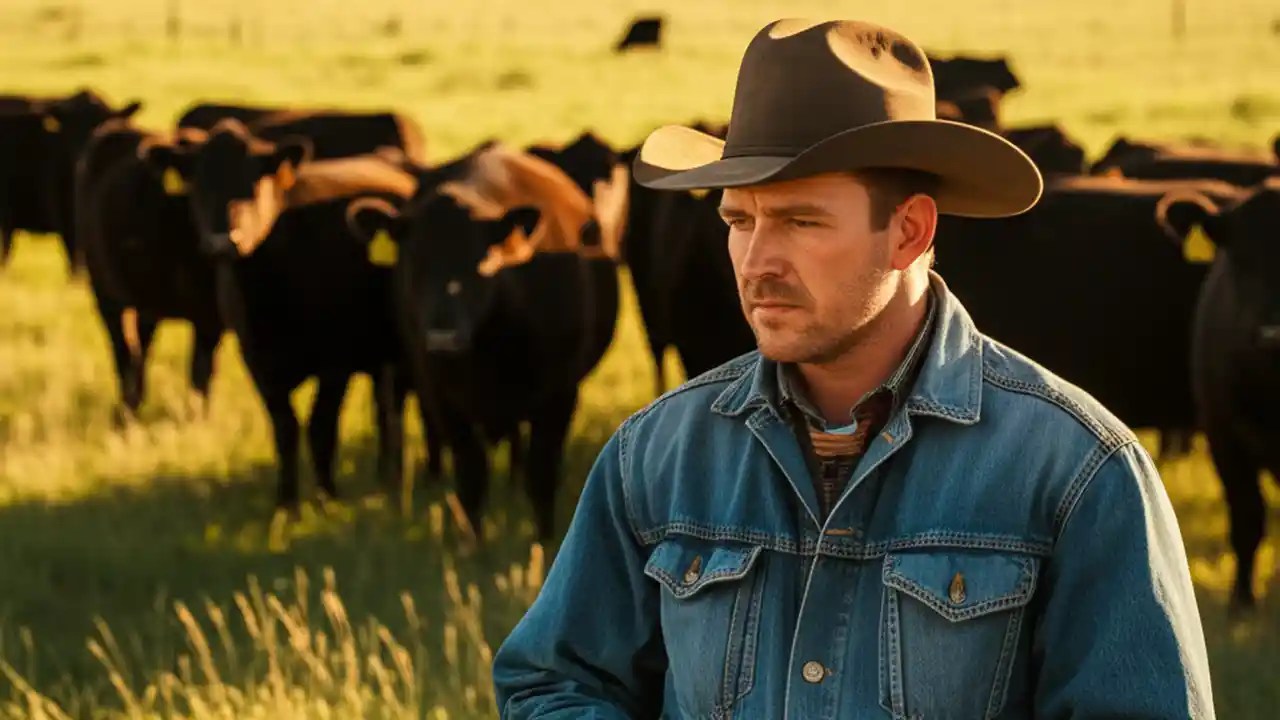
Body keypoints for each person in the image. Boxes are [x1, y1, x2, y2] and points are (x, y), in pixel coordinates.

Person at [492, 17, 1214, 719]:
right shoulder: (656, 456)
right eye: (740, 221)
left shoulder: (1076, 473)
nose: (757, 262)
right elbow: (551, 682)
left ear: (908, 231)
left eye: (801, 221)